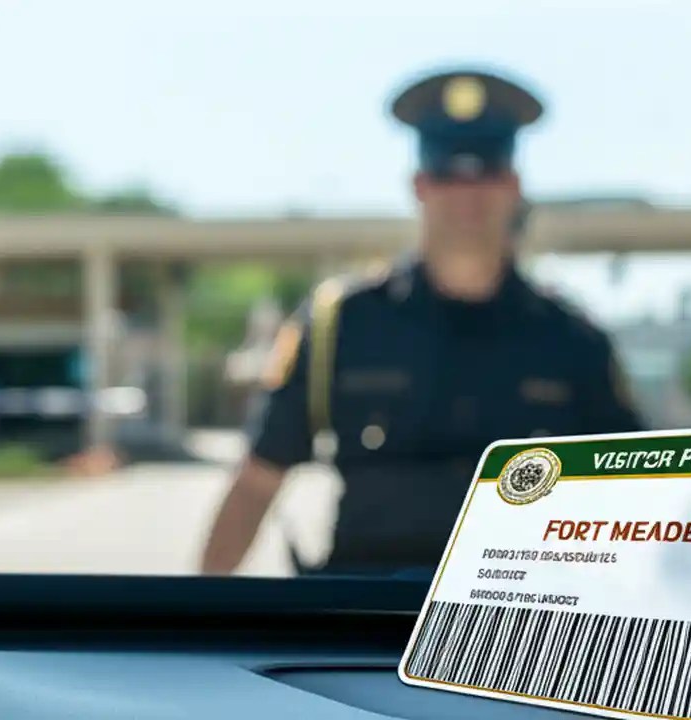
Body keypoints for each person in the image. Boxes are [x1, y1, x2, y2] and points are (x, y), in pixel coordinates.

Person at [200, 69, 644, 576]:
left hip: (525, 627)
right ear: (419, 185)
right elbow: (258, 481)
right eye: (448, 174)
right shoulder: (341, 324)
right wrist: (188, 631)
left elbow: (631, 501)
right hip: (364, 631)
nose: (467, 194)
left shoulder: (573, 340)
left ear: (514, 187)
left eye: (486, 174)